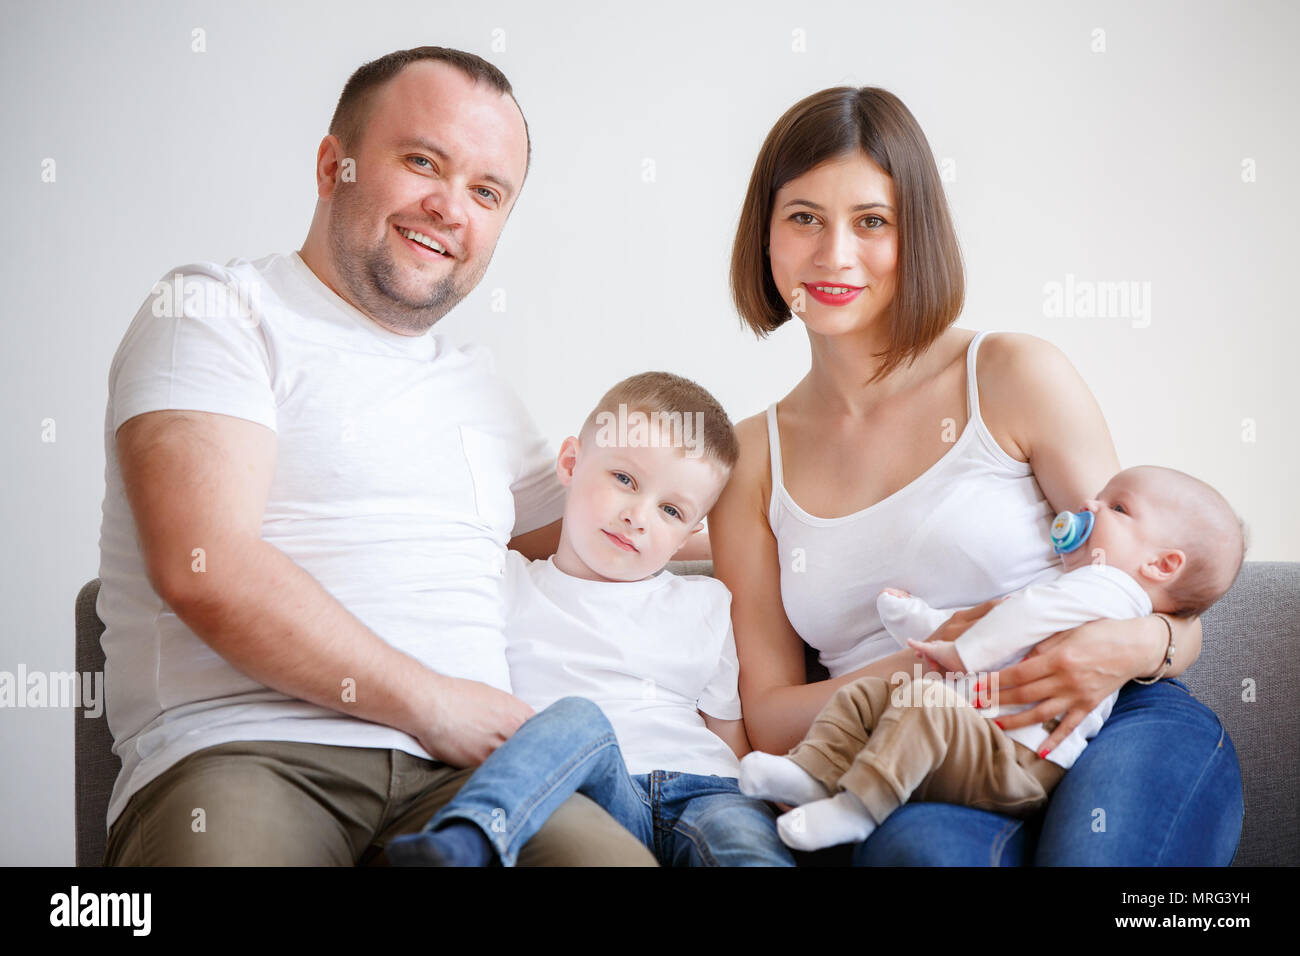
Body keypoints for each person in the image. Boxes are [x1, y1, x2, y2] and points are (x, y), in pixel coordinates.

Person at [98, 46, 657, 865]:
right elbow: (201, 563)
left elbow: (611, 531)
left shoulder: (481, 388)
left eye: (487, 191)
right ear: (335, 165)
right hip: (247, 752)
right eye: (423, 161)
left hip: (471, 783)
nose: (450, 207)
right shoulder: (215, 311)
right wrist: (432, 703)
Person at [708, 85, 1244, 865]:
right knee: (915, 858)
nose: (834, 255)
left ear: (915, 232)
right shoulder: (751, 459)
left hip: (1108, 715)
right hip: (930, 754)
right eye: (803, 218)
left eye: (872, 221)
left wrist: (1128, 650)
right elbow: (768, 719)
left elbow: (1170, 599)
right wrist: (939, 657)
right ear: (765, 235)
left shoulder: (1011, 374)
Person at [386, 373, 795, 867]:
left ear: (692, 529)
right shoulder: (505, 581)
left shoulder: (705, 603)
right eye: (624, 480)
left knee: (744, 847)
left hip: (706, 788)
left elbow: (729, 736)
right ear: (571, 463)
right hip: (590, 792)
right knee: (579, 717)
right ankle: (468, 839)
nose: (638, 516)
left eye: (669, 509)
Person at [738, 465, 1245, 851]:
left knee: (924, 705)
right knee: (870, 695)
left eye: (1117, 507)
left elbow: (1021, 617)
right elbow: (997, 616)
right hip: (975, 727)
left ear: (1161, 564)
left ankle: (859, 807)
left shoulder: (1109, 589)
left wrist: (960, 652)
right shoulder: (1080, 585)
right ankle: (815, 773)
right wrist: (918, 623)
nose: (1088, 503)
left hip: (1021, 757)